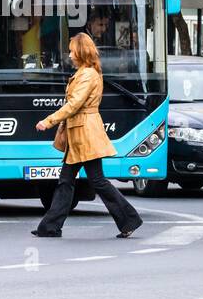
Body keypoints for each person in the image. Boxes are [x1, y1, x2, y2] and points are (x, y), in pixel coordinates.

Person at [33, 32, 143, 239]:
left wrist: (48, 121)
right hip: (79, 133)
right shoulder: (86, 72)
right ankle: (49, 227)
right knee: (66, 181)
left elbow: (74, 105)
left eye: (72, 50)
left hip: (85, 133)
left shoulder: (87, 75)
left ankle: (129, 219)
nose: (69, 54)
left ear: (81, 51)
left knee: (97, 181)